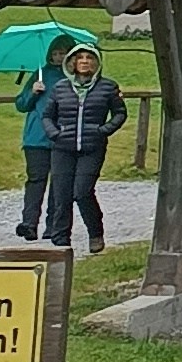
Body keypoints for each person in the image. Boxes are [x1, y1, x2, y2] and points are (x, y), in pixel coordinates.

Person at [39, 40, 128, 258]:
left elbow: (120, 113)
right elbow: (47, 115)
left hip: (92, 147)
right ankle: (61, 243)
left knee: (82, 191)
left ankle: (95, 233)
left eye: (89, 58)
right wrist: (54, 133)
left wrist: (104, 130)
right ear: (72, 63)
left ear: (96, 63)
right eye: (80, 58)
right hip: (62, 148)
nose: (85, 62)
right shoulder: (60, 87)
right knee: (61, 195)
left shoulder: (108, 87)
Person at [17, 42, 70, 244]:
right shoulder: (40, 74)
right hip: (36, 138)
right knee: (36, 181)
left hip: (62, 138)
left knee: (59, 183)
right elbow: (21, 104)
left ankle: (53, 227)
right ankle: (29, 224)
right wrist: (32, 92)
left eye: (62, 52)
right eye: (55, 53)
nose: (58, 57)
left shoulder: (73, 78)